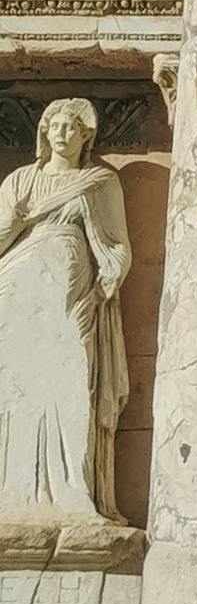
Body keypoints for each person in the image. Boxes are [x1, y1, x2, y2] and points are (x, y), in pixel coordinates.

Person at [0, 98, 133, 527]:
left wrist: (105, 286)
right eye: (54, 125)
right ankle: (13, 492)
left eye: (71, 127)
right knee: (14, 386)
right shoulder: (21, 180)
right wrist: (16, 221)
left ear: (85, 136)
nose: (61, 133)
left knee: (70, 379)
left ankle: (72, 491)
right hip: (16, 288)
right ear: (43, 132)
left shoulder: (99, 182)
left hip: (71, 290)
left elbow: (116, 245)